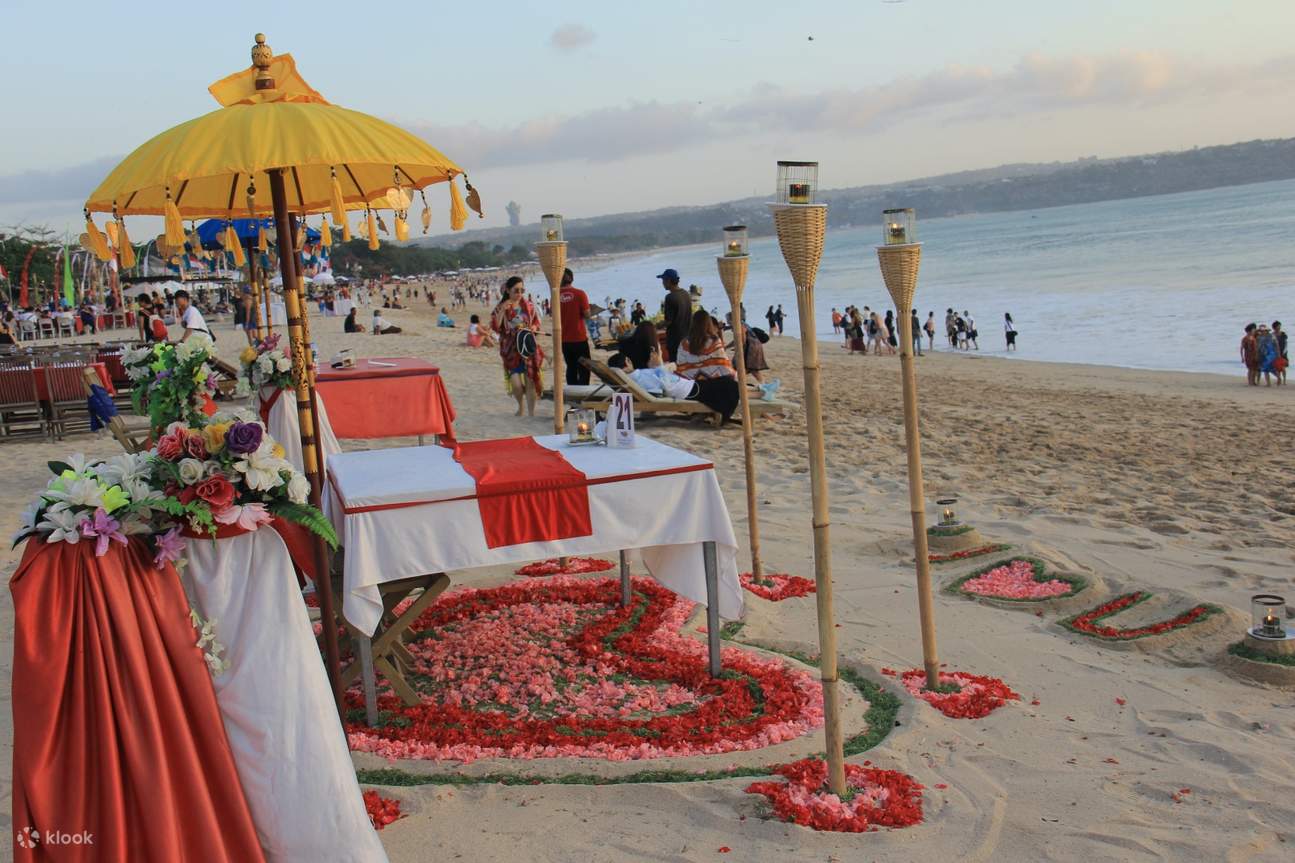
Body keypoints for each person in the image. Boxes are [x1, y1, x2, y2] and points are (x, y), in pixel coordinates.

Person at [675, 310, 740, 425]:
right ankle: (720, 416)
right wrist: (734, 375)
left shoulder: (684, 343)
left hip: (692, 389)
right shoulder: (714, 341)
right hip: (713, 389)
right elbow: (724, 367)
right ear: (709, 324)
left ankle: (703, 413)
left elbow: (681, 369)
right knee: (731, 386)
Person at [491, 276, 544, 417]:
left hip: (527, 347)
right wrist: (503, 310)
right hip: (511, 350)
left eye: (522, 290)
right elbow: (496, 327)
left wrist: (533, 327)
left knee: (530, 381)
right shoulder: (500, 307)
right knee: (516, 385)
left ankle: (531, 413)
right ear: (508, 290)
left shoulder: (529, 306)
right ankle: (520, 406)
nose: (519, 293)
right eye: (516, 290)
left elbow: (537, 323)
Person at [558, 268, 592, 386]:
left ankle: (573, 395)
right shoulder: (580, 293)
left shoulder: (555, 295)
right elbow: (587, 315)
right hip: (579, 338)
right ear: (572, 279)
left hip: (564, 339)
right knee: (584, 368)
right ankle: (583, 395)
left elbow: (553, 315)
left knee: (571, 367)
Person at [659, 268, 691, 362]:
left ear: (668, 281)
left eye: (663, 280)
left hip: (675, 339)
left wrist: (657, 325)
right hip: (687, 337)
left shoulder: (670, 297)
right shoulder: (685, 294)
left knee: (676, 365)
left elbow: (668, 321)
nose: (663, 283)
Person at [1273, 321, 1288, 385]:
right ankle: (1278, 379)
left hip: (1283, 352)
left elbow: (1286, 343)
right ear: (1274, 327)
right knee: (1277, 367)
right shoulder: (1272, 335)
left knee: (1283, 367)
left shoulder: (1283, 334)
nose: (1279, 327)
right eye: (1278, 326)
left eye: (1279, 326)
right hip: (1275, 353)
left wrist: (1285, 352)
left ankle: (1284, 380)